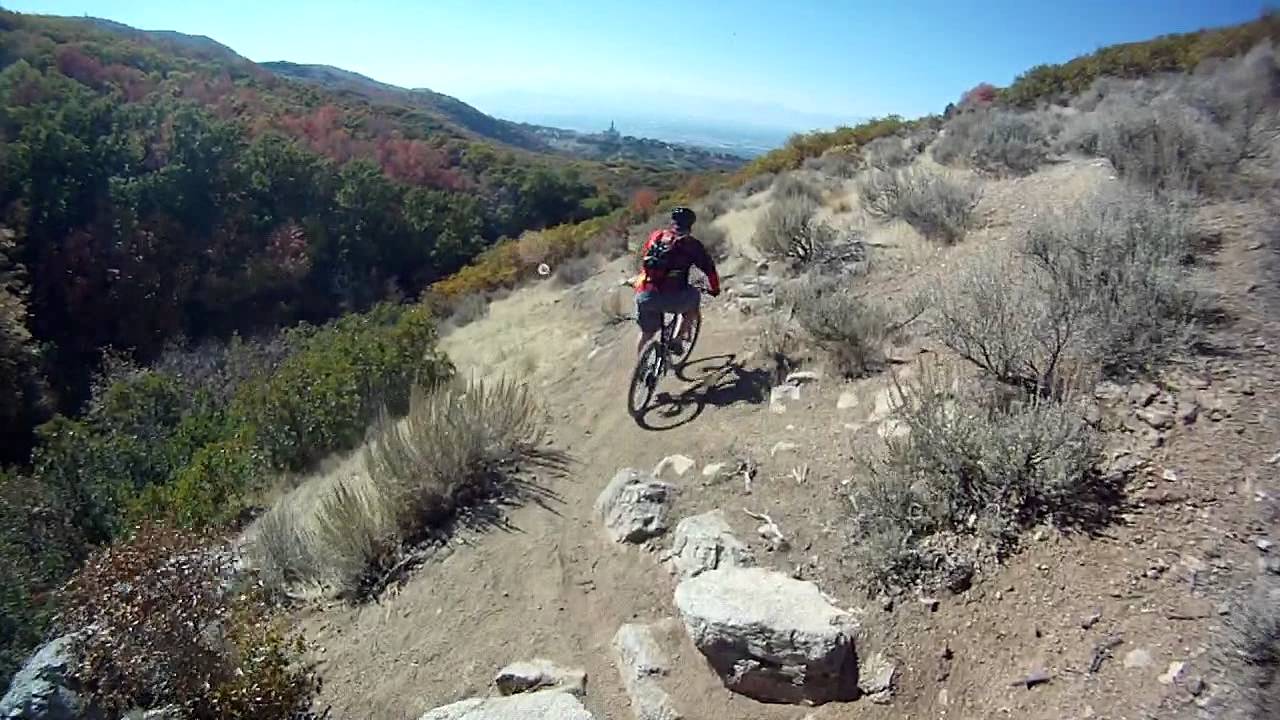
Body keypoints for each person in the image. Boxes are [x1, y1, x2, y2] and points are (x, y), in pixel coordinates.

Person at [632, 206, 721, 356]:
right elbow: (710, 270)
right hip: (674, 296)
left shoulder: (657, 236)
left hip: (646, 294)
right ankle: (678, 339)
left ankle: (639, 368)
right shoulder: (692, 245)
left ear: (672, 222)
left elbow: (646, 256)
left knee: (646, 334)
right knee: (693, 299)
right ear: (690, 225)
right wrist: (715, 289)